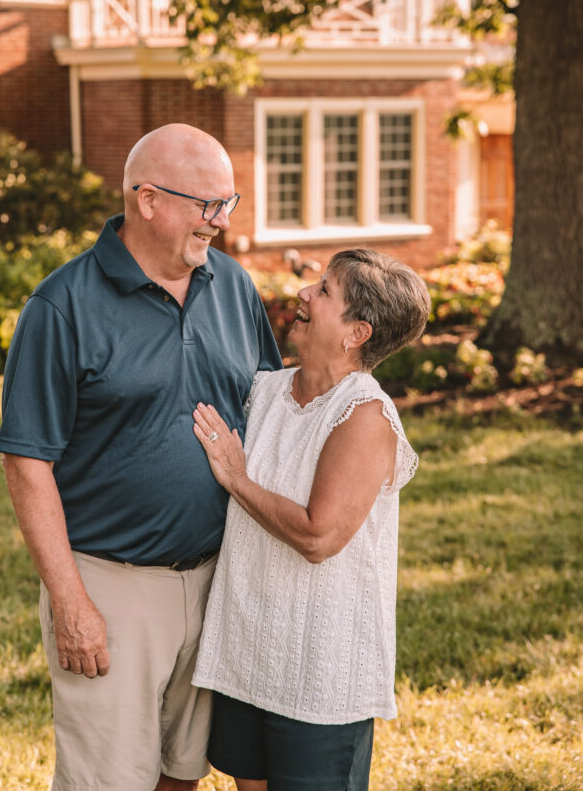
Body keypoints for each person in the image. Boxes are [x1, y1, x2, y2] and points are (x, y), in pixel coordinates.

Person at [0, 123, 282, 791]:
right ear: (147, 200)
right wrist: (71, 603)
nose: (222, 221)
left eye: (228, 203)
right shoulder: (62, 305)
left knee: (181, 771)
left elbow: (269, 408)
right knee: (109, 780)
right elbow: (26, 461)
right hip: (110, 587)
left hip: (217, 576)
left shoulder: (232, 286)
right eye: (206, 204)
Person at [191, 249, 431, 791]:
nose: (303, 294)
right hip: (249, 647)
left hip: (321, 671)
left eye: (323, 292)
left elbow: (319, 535)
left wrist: (238, 480)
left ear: (356, 333)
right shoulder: (268, 390)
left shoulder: (364, 414)